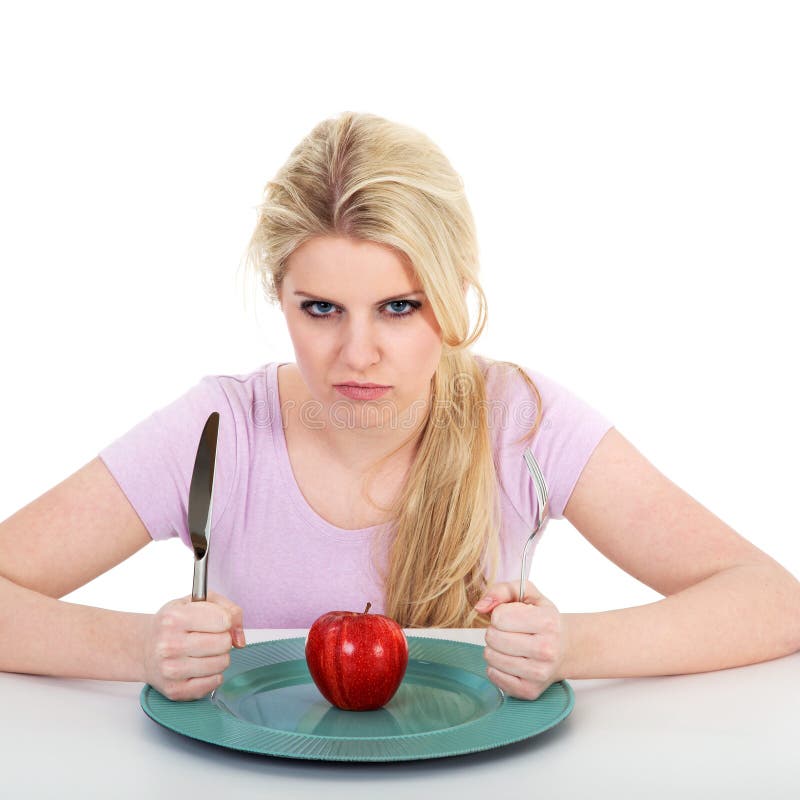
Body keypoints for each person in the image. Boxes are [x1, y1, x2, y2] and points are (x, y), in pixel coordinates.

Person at [1, 112, 798, 705]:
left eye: (398, 307)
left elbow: (771, 599)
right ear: (278, 296)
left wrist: (575, 644)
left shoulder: (522, 422)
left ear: (455, 295)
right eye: (320, 310)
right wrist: (140, 646)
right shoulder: (219, 433)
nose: (357, 355)